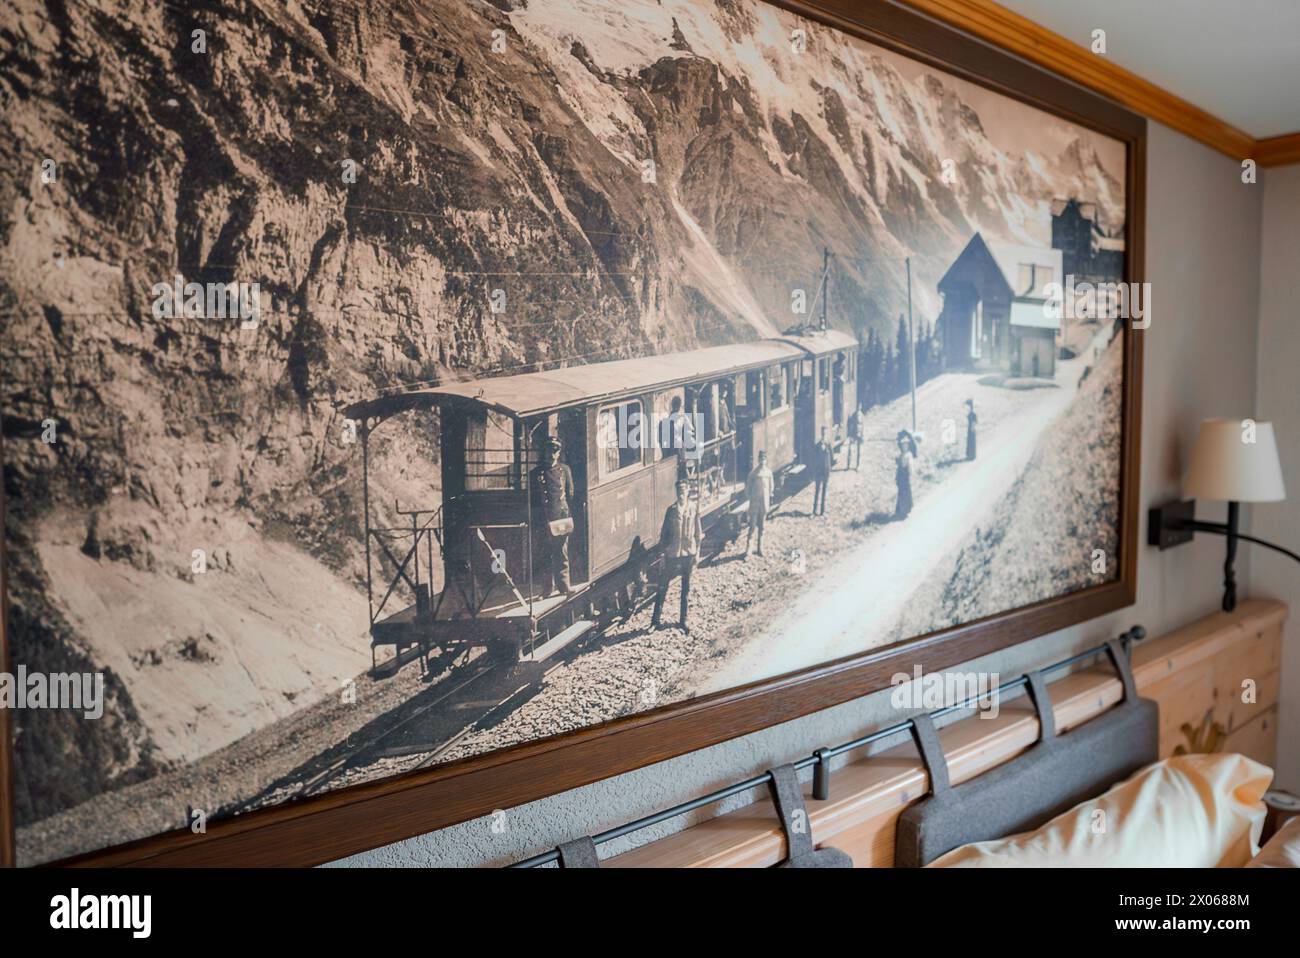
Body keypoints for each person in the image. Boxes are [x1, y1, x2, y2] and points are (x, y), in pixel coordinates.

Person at [652, 479, 702, 632]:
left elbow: (698, 533)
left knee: (685, 589)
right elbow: (664, 535)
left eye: (684, 490)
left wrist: (697, 553)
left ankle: (683, 620)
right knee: (663, 587)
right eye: (679, 491)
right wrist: (662, 555)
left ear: (688, 491)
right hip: (673, 554)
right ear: (676, 493)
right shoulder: (671, 510)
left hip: (688, 553)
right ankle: (655, 621)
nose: (681, 493)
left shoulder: (693, 508)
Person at [531, 436, 575, 596]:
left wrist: (564, 513)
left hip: (560, 517)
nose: (552, 454)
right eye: (549, 450)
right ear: (545, 452)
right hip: (543, 519)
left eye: (555, 451)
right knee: (544, 555)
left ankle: (564, 586)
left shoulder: (564, 470)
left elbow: (570, 493)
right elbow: (533, 500)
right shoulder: (535, 473)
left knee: (561, 553)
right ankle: (546, 589)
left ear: (559, 452)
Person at [744, 451, 774, 557]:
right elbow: (747, 488)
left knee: (762, 527)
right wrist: (751, 497)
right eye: (761, 459)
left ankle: (760, 548)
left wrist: (767, 498)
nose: (762, 461)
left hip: (764, 503)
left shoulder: (769, 473)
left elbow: (771, 488)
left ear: (766, 460)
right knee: (752, 526)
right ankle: (749, 550)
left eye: (764, 459)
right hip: (754, 503)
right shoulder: (754, 473)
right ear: (758, 460)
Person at [894, 430, 918, 520]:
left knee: (906, 492)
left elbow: (910, 466)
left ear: (908, 446)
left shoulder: (908, 455)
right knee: (901, 492)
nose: (904, 447)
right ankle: (900, 509)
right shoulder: (901, 455)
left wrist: (911, 473)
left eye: (906, 445)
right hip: (900, 475)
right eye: (903, 445)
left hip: (905, 475)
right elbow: (899, 465)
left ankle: (905, 510)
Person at [812, 426, 835, 516]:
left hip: (826, 471)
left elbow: (832, 457)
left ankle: (822, 511)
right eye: (822, 433)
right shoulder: (817, 444)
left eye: (825, 433)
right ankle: (814, 511)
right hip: (819, 471)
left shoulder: (829, 444)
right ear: (821, 434)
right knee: (817, 490)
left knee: (824, 491)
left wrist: (829, 468)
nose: (824, 434)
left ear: (827, 434)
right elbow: (814, 458)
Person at [846, 404, 864, 471]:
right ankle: (848, 465)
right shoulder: (853, 415)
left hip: (859, 435)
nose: (858, 408)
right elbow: (851, 426)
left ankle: (858, 466)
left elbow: (862, 426)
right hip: (853, 435)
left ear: (861, 407)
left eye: (860, 406)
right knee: (850, 450)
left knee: (859, 451)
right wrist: (850, 435)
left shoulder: (862, 415)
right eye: (857, 406)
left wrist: (862, 435)